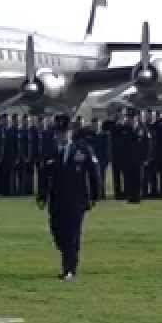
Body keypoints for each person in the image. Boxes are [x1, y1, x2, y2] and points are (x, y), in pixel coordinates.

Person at [36, 115, 101, 281]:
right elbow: (43, 175)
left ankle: (69, 270)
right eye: (59, 132)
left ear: (71, 132)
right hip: (56, 200)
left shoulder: (83, 150)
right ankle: (67, 254)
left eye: (65, 132)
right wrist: (41, 196)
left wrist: (95, 195)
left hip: (77, 200)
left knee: (73, 235)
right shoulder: (50, 151)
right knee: (57, 233)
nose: (62, 136)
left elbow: (94, 173)